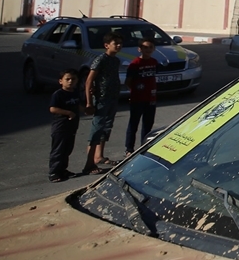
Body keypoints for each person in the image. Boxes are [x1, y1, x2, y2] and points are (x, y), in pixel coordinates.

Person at [82, 32, 123, 174]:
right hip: (101, 99)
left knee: (106, 128)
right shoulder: (100, 60)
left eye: (119, 43)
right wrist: (89, 103)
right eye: (115, 43)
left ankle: (99, 156)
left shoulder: (116, 61)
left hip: (112, 98)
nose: (118, 45)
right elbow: (89, 81)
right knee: (96, 129)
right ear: (106, 45)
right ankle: (89, 163)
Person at [124, 39, 158, 155]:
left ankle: (144, 147)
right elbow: (128, 81)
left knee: (148, 124)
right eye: (145, 47)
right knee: (134, 124)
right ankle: (129, 149)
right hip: (137, 99)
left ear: (153, 49)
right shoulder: (135, 64)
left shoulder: (154, 62)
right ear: (140, 49)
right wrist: (135, 92)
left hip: (151, 99)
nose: (148, 50)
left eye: (150, 47)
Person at [48, 69, 82, 182]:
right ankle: (54, 172)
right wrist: (68, 113)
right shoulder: (58, 94)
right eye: (67, 79)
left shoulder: (75, 92)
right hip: (60, 126)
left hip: (72, 126)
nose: (70, 81)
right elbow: (53, 108)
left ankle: (63, 170)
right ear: (61, 81)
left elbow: (78, 105)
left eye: (73, 79)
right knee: (58, 149)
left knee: (67, 149)